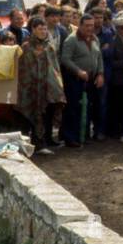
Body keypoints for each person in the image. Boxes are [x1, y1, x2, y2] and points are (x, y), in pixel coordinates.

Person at [17, 17, 66, 155]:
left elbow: (54, 68)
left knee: (44, 116)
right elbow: (22, 69)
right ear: (33, 29)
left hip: (46, 88)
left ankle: (40, 143)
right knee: (26, 116)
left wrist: (57, 86)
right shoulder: (26, 47)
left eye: (45, 29)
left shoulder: (50, 47)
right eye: (40, 29)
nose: (43, 31)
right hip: (29, 87)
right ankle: (24, 145)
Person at [60, 15, 104, 147]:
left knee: (88, 108)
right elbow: (65, 59)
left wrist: (100, 74)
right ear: (80, 25)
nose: (90, 28)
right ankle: (70, 137)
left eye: (92, 25)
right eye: (87, 26)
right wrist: (78, 71)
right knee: (73, 108)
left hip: (91, 79)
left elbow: (99, 57)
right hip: (74, 79)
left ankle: (84, 135)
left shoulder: (95, 38)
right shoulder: (71, 40)